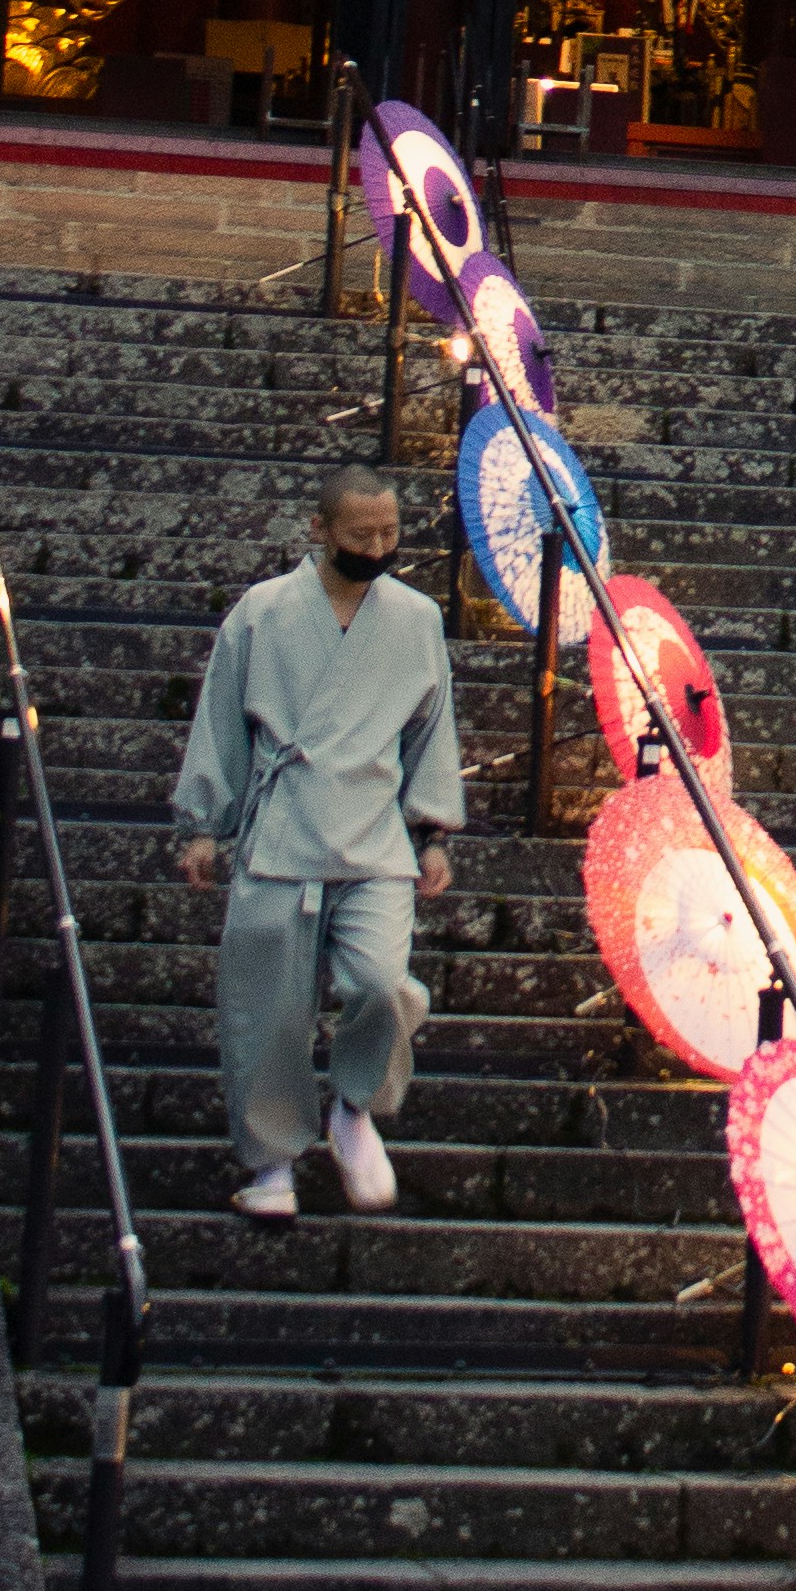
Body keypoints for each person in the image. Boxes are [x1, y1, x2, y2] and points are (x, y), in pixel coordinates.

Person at [172, 457, 464, 1220]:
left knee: (381, 983)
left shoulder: (415, 618)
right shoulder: (263, 611)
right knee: (266, 1008)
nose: (377, 545)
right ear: (320, 530)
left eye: (391, 531)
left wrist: (430, 831)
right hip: (281, 830)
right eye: (361, 533)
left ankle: (356, 1106)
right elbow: (222, 718)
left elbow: (431, 734)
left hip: (373, 837)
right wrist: (206, 824)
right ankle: (271, 1163)